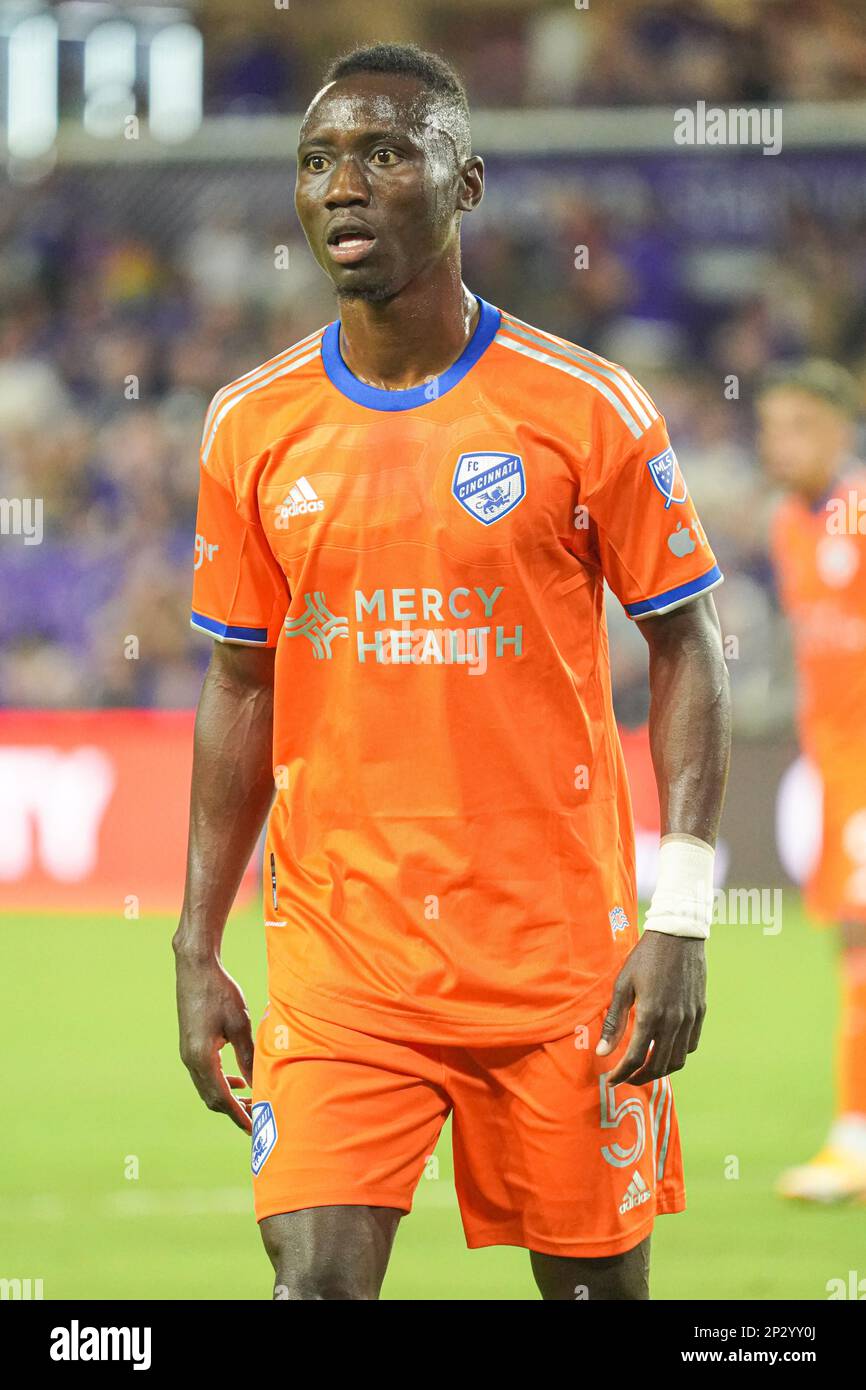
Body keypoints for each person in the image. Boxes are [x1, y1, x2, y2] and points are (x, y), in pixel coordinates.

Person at [174, 42, 731, 1300]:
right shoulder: (250, 426)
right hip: (339, 962)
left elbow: (685, 643)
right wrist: (194, 941)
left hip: (552, 964)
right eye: (317, 161)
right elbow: (239, 685)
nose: (342, 186)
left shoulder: (585, 409)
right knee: (312, 1283)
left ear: (465, 184)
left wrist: (680, 913)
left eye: (383, 153)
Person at [758, 360, 866, 1202]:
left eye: (797, 426)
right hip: (834, 768)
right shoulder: (789, 526)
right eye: (769, 427)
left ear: (838, 429)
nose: (776, 444)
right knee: (852, 947)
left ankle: (852, 1140)